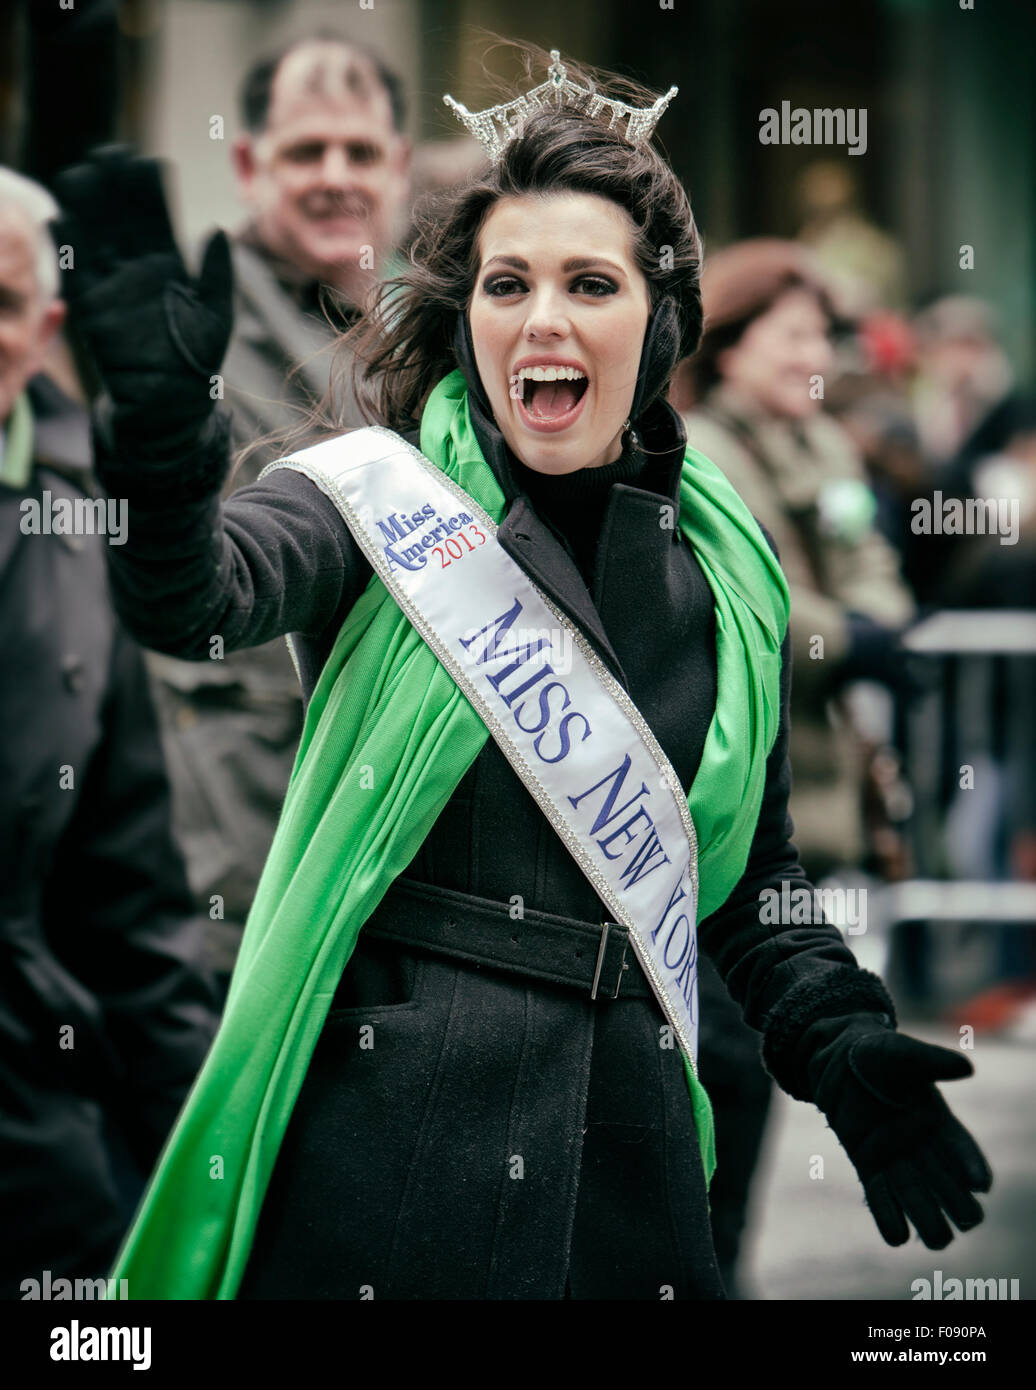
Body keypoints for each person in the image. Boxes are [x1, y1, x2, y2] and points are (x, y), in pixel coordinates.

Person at [52, 48, 991, 1302]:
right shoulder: (374, 497)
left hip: (632, 1151)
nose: (541, 319)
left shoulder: (726, 565)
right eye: (507, 284)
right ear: (468, 316)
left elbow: (746, 875)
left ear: (661, 324)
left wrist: (840, 1030)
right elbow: (195, 602)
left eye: (588, 283)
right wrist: (160, 440)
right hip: (392, 1149)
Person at [144, 34, 413, 983]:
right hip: (237, 814)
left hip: (387, 813)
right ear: (249, 162)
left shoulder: (432, 325)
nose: (336, 178)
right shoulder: (179, 322)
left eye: (360, 151)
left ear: (400, 164)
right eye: (306, 152)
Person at [0, 168, 219, 1299]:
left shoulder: (87, 529)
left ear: (43, 330)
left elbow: (131, 897)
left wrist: (201, 1150)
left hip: (40, 1124)